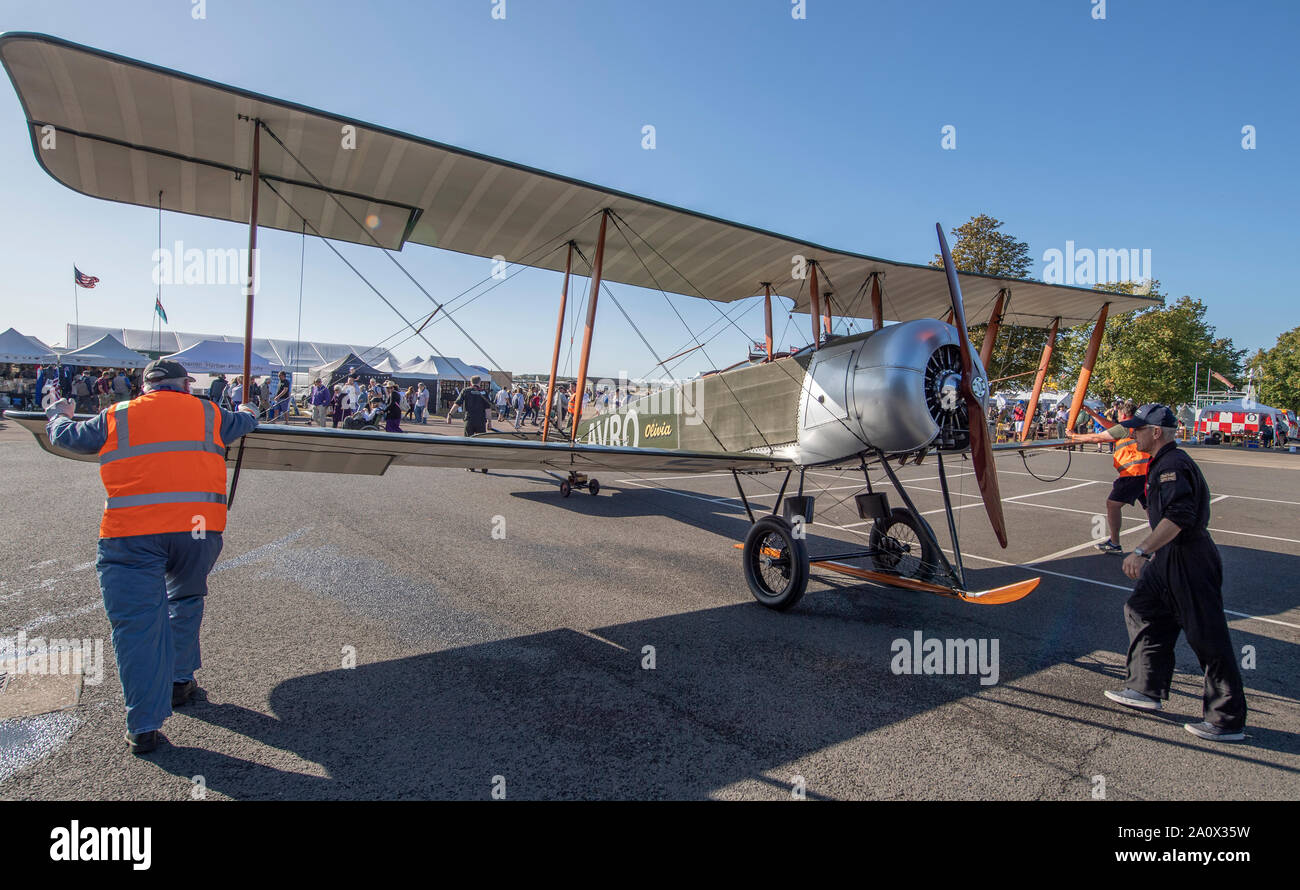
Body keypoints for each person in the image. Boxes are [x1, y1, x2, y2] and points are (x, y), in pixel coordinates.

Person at [44, 359, 259, 755]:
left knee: (137, 626)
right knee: (186, 599)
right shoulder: (210, 413)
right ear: (183, 384)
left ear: (146, 386)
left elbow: (65, 437)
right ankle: (179, 681)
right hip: (198, 531)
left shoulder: (117, 415)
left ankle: (143, 726)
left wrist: (57, 414)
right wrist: (249, 410)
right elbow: (244, 422)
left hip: (131, 535)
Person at [1103, 404, 1247, 742]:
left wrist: (1141, 551)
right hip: (1169, 557)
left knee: (1207, 636)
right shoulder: (1160, 463)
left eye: (1137, 430)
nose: (1132, 434)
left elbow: (1179, 517)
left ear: (1156, 433)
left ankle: (1226, 720)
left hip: (1188, 558)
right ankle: (1145, 688)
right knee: (1143, 610)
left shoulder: (1173, 466)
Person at [1068, 401, 1149, 554]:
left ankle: (1115, 543)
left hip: (1132, 473)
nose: (1117, 416)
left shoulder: (1125, 427)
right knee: (1151, 508)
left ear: (1123, 415)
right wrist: (1092, 414)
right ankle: (1163, 541)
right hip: (1146, 472)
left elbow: (1097, 438)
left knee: (1113, 504)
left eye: (1118, 413)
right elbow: (1111, 427)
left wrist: (1074, 437)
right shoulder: (1135, 425)